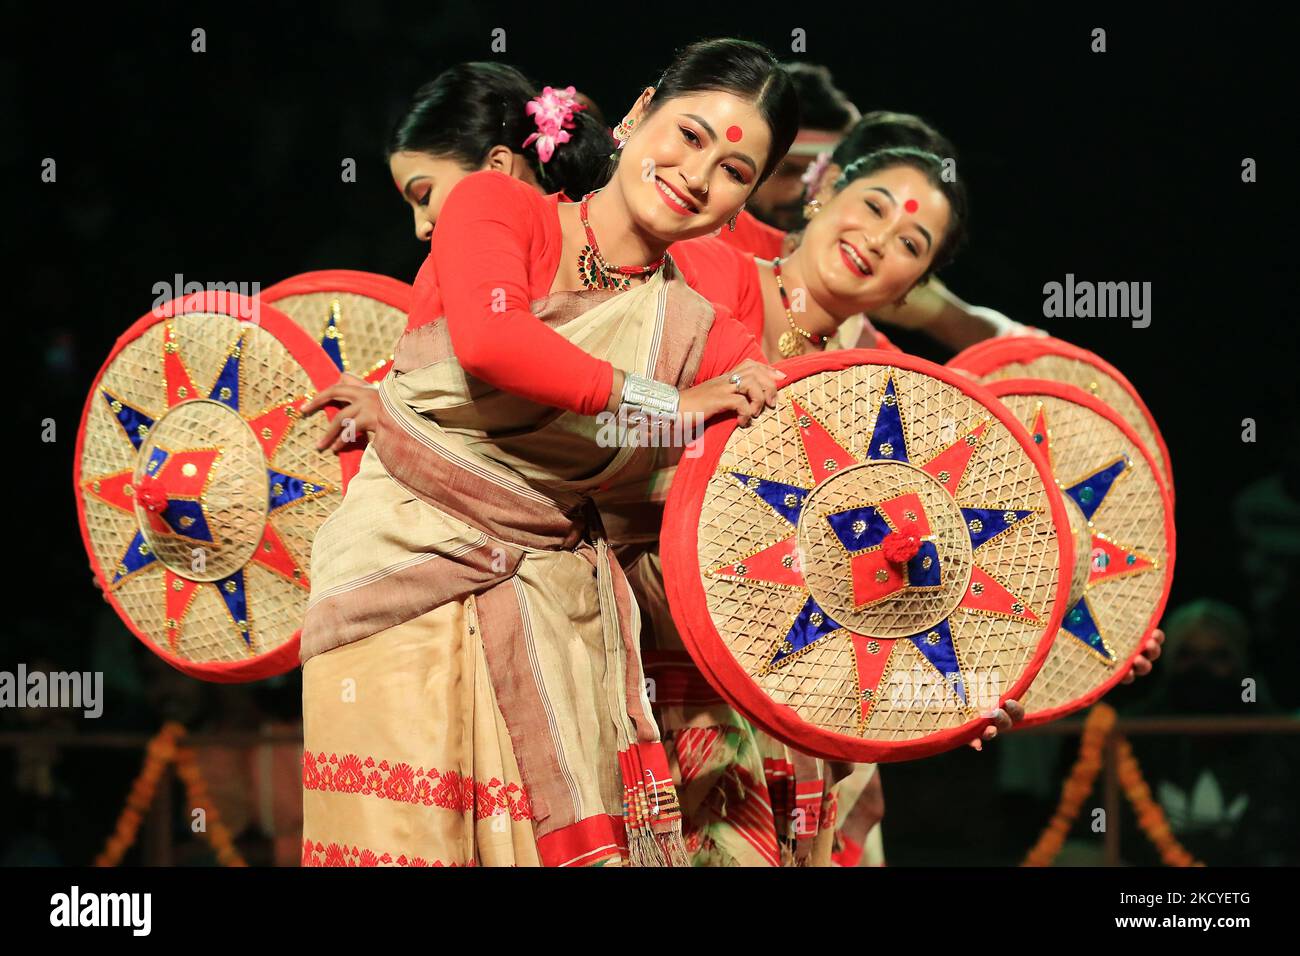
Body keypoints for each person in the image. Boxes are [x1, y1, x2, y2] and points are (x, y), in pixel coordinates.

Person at [299, 37, 800, 868]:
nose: (698, 173)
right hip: (400, 593)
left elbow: (813, 478)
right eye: (689, 134)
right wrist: (662, 405)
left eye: (736, 170)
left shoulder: (703, 333)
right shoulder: (500, 208)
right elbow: (496, 345)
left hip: (561, 628)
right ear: (639, 113)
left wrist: (937, 673)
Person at [305, 62, 613, 454]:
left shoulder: (470, 260)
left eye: (424, 195)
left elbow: (512, 394)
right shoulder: (599, 238)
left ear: (497, 166)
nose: (421, 227)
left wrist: (393, 412)